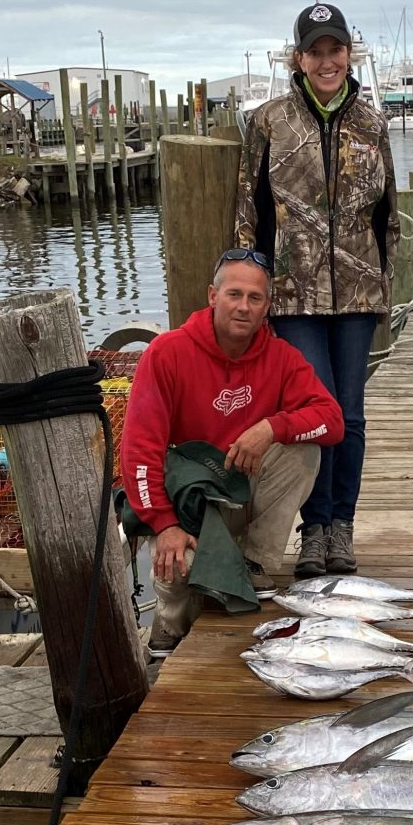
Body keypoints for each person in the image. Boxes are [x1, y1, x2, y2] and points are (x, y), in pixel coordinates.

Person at [237, 2, 399, 578]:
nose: (327, 61)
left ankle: (341, 528)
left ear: (349, 53)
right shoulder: (268, 122)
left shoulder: (373, 124)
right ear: (298, 58)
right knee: (315, 411)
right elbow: (248, 212)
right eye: (315, 51)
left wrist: (383, 285)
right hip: (294, 295)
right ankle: (314, 527)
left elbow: (388, 215)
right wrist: (251, 290)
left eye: (336, 49)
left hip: (357, 293)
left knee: (349, 415)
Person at [119, 250, 344, 653]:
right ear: (212, 296)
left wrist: (272, 427)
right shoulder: (166, 354)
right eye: (234, 294)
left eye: (255, 298)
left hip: (243, 490)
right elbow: (139, 451)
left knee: (304, 449)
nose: (243, 306)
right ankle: (168, 631)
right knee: (180, 571)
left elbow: (333, 420)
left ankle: (254, 564)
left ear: (267, 307)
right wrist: (164, 524)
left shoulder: (281, 358)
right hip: (190, 505)